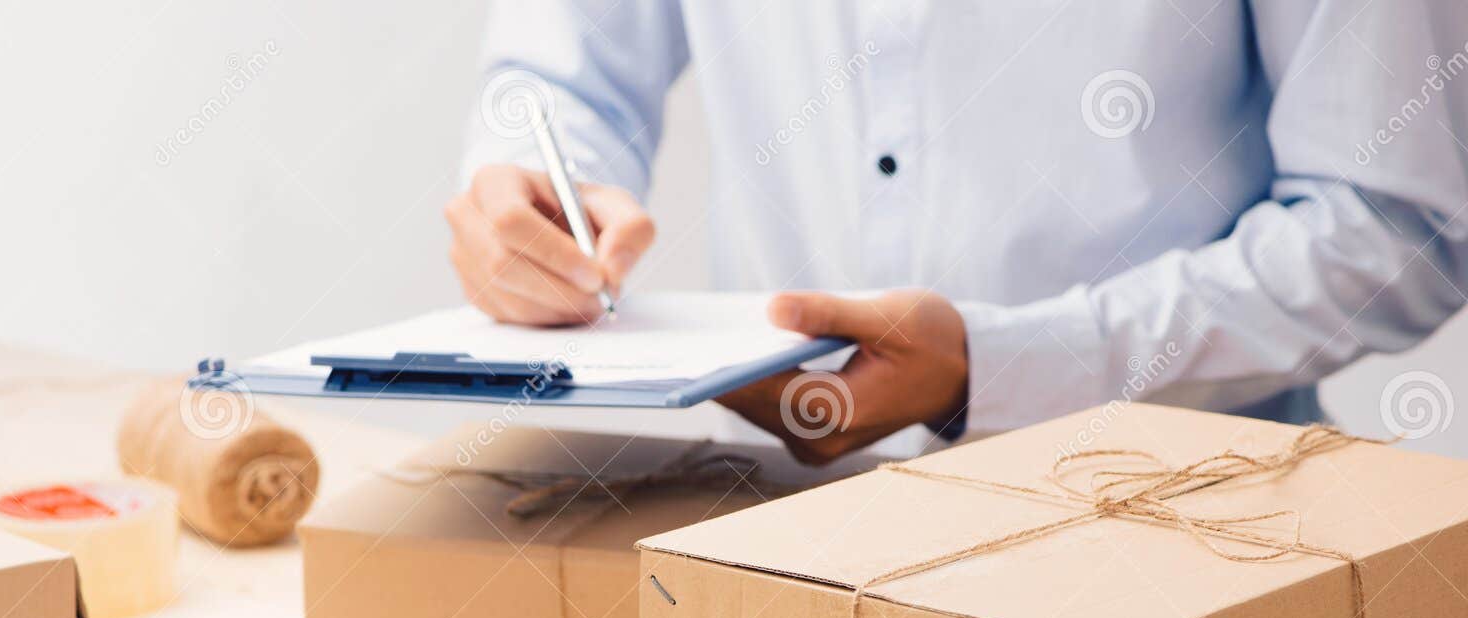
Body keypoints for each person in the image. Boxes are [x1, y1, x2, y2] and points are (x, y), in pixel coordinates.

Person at [448, 0, 1468, 463]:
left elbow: (1396, 224)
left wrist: (1003, 367)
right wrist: (532, 189)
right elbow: (559, 71)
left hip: (1164, 533)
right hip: (763, 527)